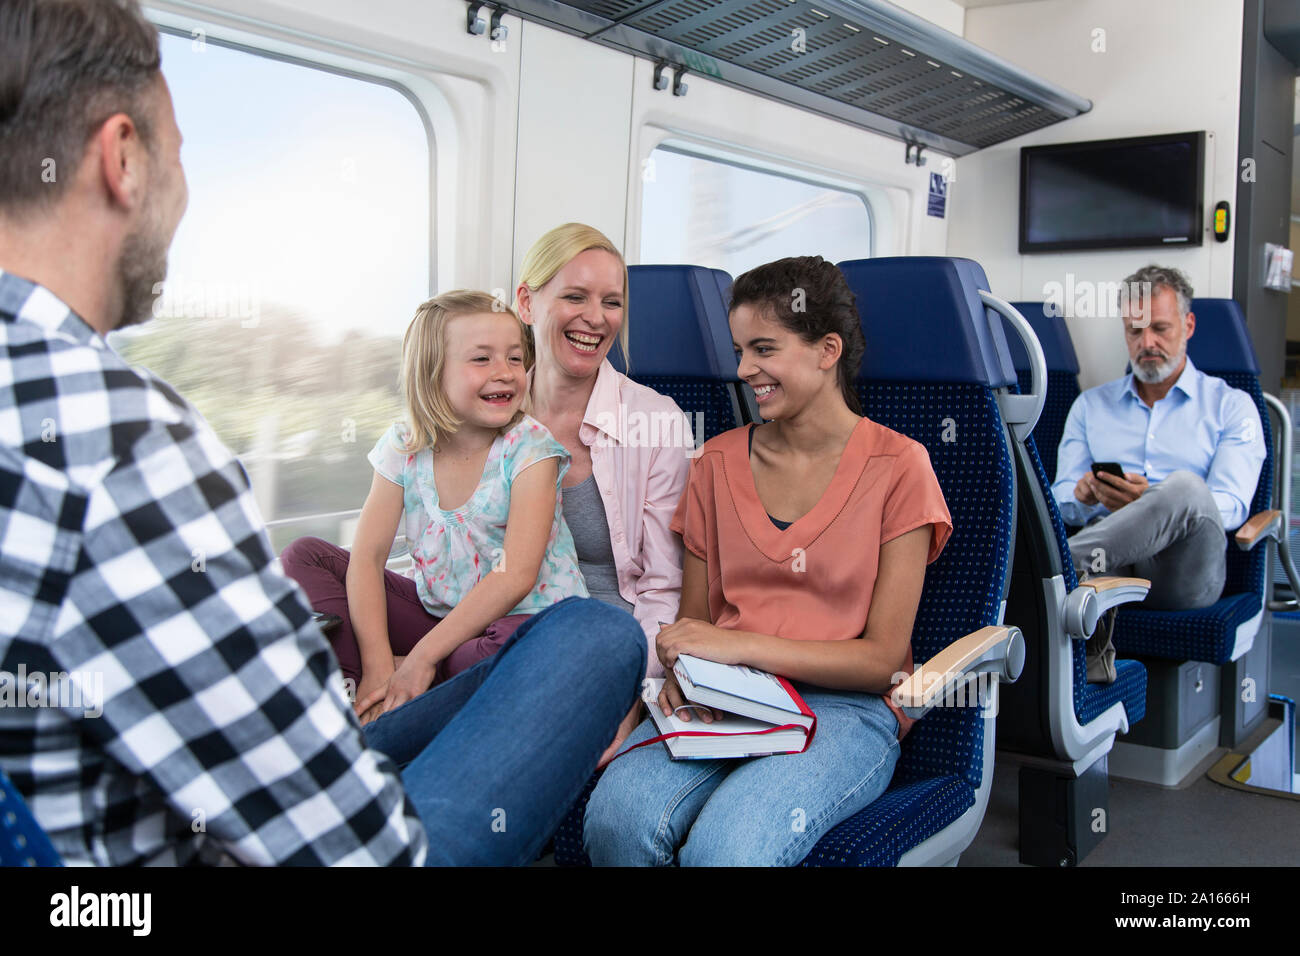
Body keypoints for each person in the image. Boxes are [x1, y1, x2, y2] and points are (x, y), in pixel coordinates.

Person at [0, 0, 643, 866]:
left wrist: (390, 673)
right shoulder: (124, 442)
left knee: (558, 631)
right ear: (122, 159)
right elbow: (328, 828)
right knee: (603, 639)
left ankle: (387, 706)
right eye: (180, 157)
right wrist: (382, 670)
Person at [582, 256, 952, 866]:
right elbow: (696, 624)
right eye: (738, 351)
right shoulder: (715, 463)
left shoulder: (900, 467)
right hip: (722, 694)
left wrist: (739, 647)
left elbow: (883, 661)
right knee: (617, 822)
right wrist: (682, 674)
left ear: (827, 350)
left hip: (842, 708)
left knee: (728, 849)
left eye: (763, 349)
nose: (743, 370)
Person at [280, 291, 589, 724]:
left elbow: (516, 575)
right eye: (481, 359)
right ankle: (372, 691)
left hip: (527, 621)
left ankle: (419, 680)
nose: (505, 372)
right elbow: (367, 558)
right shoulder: (403, 445)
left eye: (515, 358)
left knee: (495, 652)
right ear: (432, 373)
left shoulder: (531, 448)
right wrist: (378, 663)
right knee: (303, 556)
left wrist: (421, 657)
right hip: (439, 619)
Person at [514, 223, 693, 763]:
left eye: (611, 302)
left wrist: (633, 693)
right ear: (526, 302)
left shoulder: (657, 421)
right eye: (576, 296)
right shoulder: (493, 409)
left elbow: (664, 587)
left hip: (604, 647)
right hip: (503, 632)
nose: (596, 318)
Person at [1051, 265, 1265, 683]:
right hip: (1110, 560)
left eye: (1160, 328)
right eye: (1134, 331)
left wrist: (1156, 499)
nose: (1146, 343)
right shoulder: (1091, 407)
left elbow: (1231, 507)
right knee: (1084, 559)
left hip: (1184, 571)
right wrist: (1083, 495)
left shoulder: (1231, 406)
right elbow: (1058, 500)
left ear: (1188, 325)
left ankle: (1051, 567)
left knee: (1185, 487)